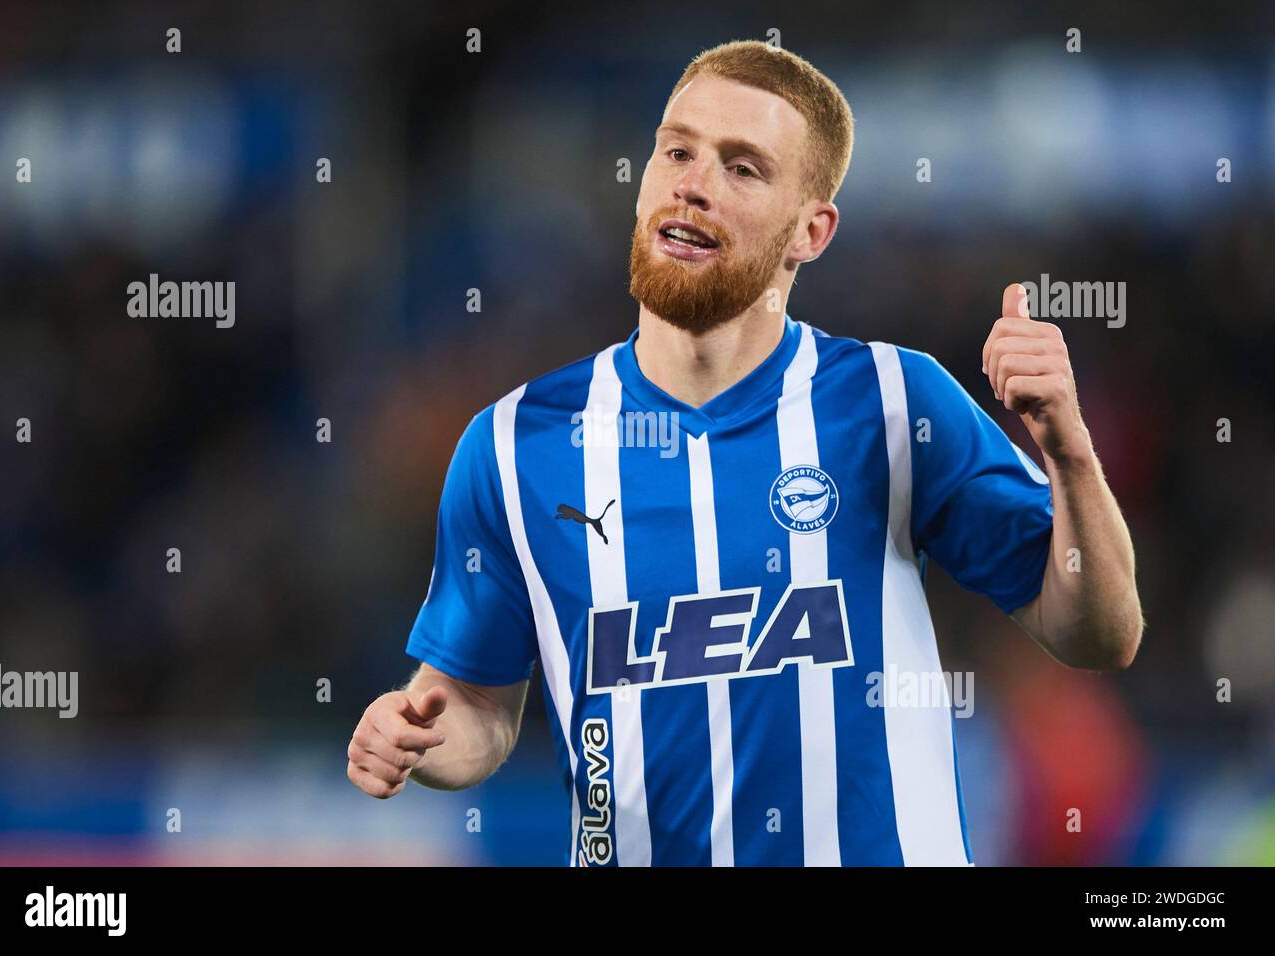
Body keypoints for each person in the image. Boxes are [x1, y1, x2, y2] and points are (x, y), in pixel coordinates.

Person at [347, 39, 1142, 866]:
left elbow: (1098, 632)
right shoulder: (514, 447)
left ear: (812, 230)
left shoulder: (894, 402)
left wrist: (1071, 455)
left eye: (743, 168)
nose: (693, 184)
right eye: (677, 150)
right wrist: (419, 736)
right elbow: (476, 701)